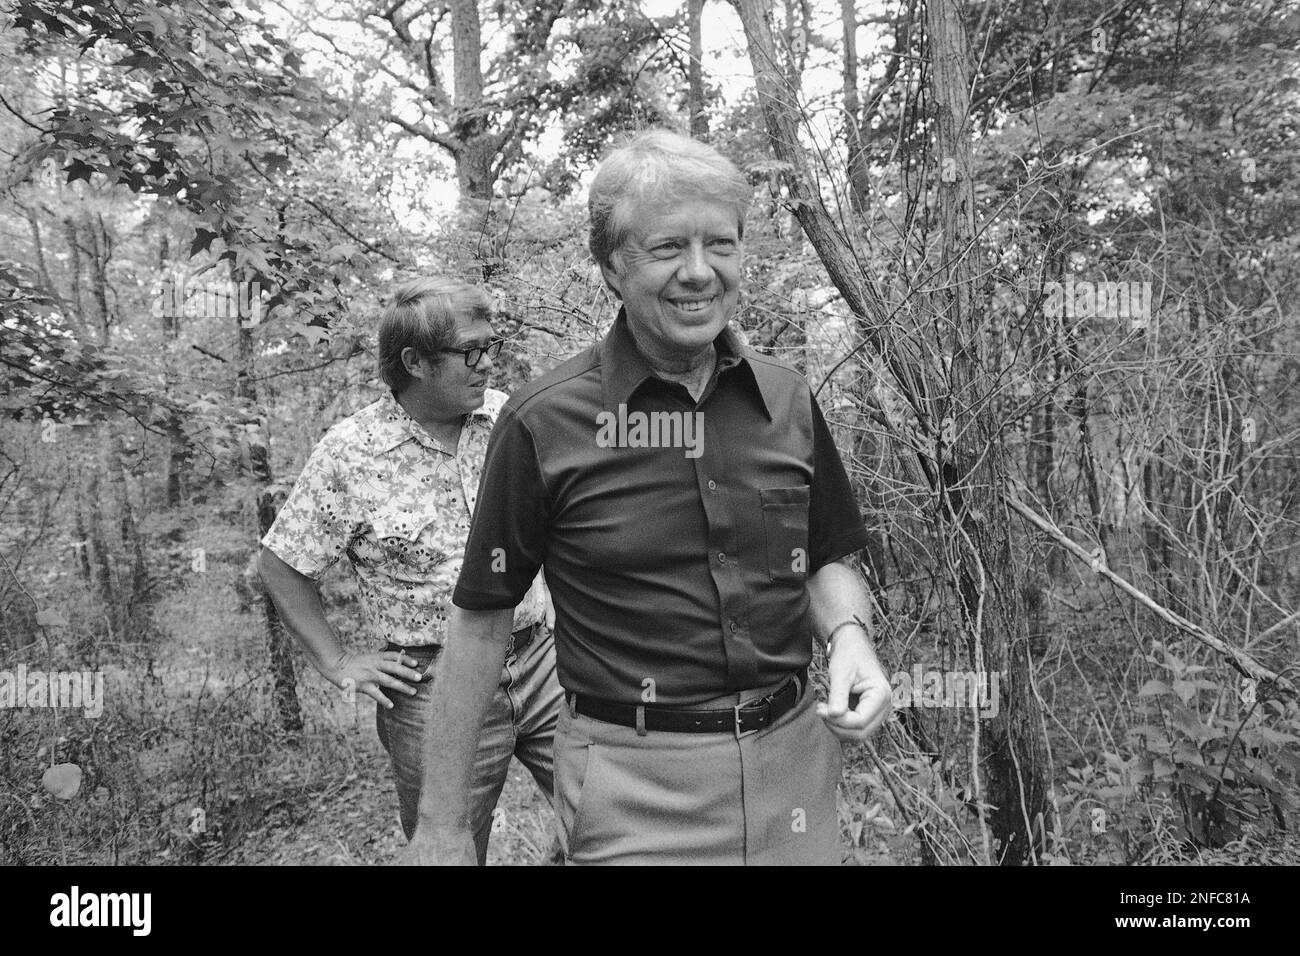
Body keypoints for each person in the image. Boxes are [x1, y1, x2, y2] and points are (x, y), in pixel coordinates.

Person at [406, 130, 892, 866]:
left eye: (720, 245)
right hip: (632, 788)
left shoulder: (786, 398)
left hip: (795, 764)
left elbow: (825, 554)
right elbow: (481, 624)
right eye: (668, 249)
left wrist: (851, 638)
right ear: (610, 267)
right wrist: (442, 827)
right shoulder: (544, 423)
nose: (700, 273)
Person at [258, 277, 563, 865]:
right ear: (415, 362)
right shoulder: (351, 453)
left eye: (489, 347)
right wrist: (337, 660)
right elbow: (280, 565)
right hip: (430, 686)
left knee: (604, 817)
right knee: (446, 849)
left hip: (543, 663)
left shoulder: (511, 420)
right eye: (469, 351)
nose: (485, 364)